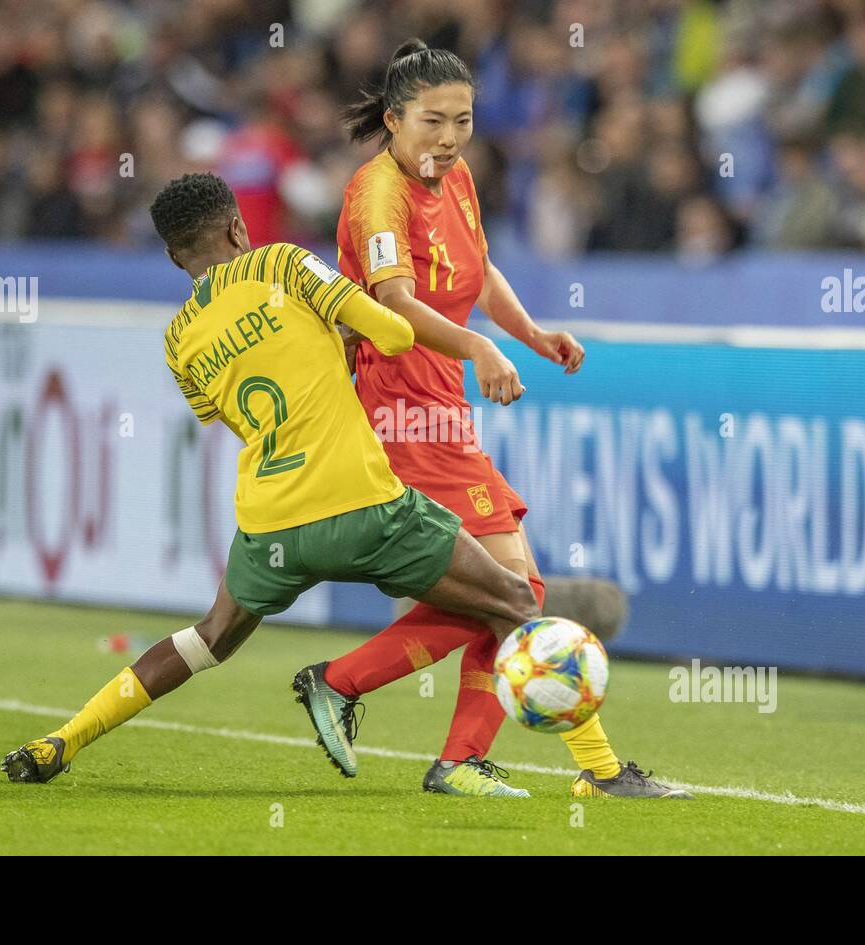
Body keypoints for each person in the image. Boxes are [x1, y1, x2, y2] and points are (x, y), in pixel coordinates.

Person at [0, 172, 539, 783]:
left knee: (209, 638)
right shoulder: (283, 263)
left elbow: (240, 416)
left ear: (176, 256)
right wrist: (345, 327)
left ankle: (61, 741)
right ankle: (525, 754)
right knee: (516, 599)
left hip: (270, 522)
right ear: (238, 227)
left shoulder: (178, 340)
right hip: (364, 505)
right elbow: (396, 332)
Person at [298, 40, 690, 799]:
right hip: (399, 410)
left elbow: (478, 269)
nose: (448, 138)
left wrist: (531, 334)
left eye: (463, 121)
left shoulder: (457, 178)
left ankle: (360, 694)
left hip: (440, 405)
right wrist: (480, 346)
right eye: (432, 122)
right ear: (393, 118)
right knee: (516, 592)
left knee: (495, 598)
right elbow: (394, 302)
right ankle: (583, 768)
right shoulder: (376, 194)